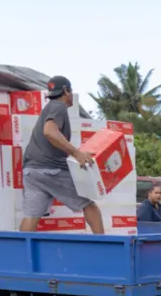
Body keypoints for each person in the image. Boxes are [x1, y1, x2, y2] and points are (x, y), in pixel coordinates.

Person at [19, 76, 101, 234]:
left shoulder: (49, 107)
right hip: (50, 170)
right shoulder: (58, 106)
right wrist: (77, 154)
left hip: (32, 171)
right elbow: (49, 132)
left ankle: (21, 252)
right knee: (89, 205)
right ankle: (106, 248)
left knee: (31, 216)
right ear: (66, 91)